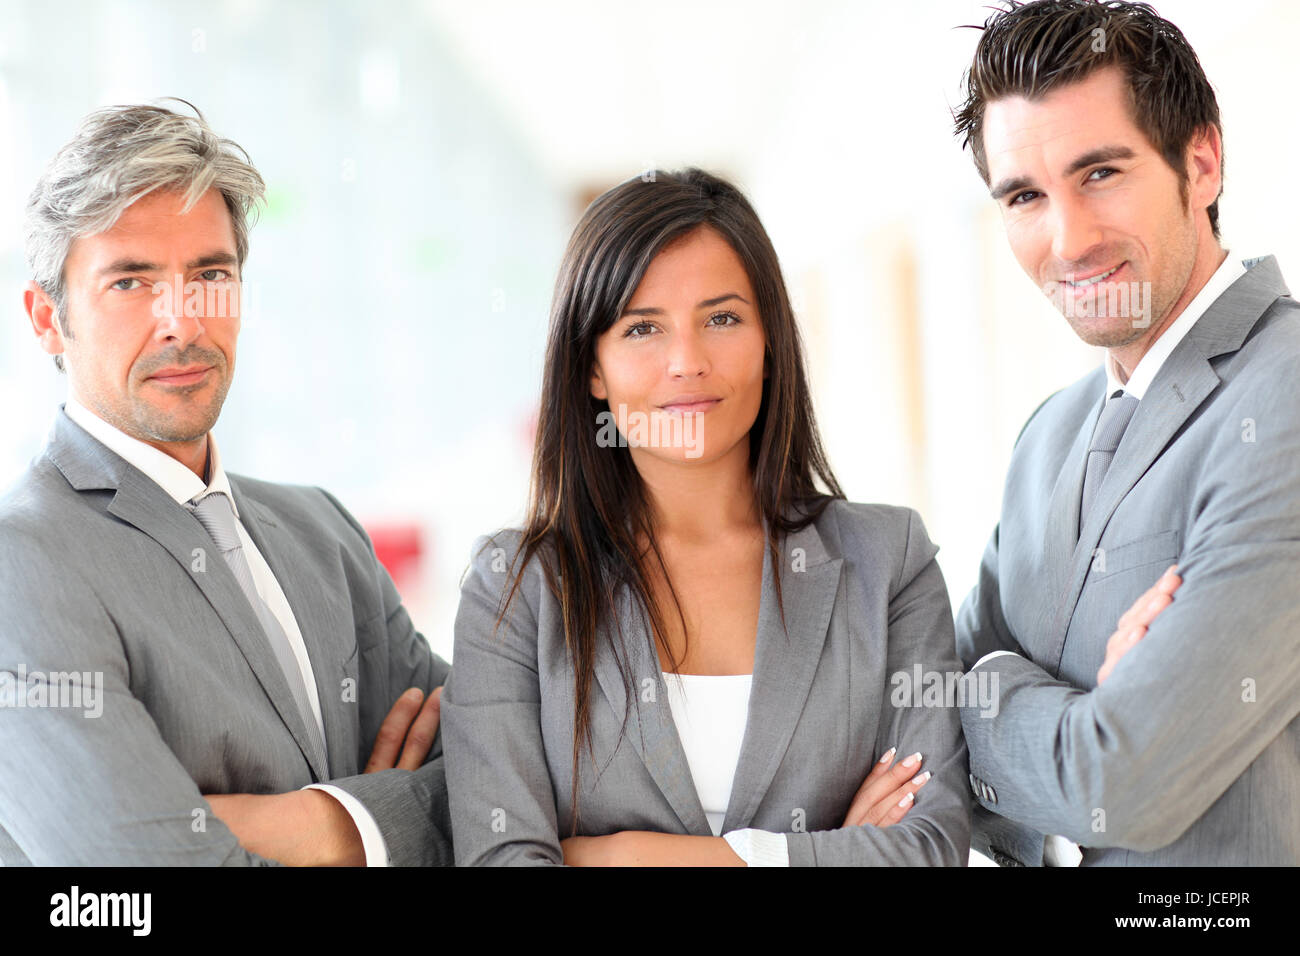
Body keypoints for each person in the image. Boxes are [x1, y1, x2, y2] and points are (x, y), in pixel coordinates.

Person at [442, 168, 969, 866]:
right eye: (642, 329)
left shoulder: (888, 560)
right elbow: (501, 859)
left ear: (770, 339)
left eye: (722, 318)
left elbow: (929, 848)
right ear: (592, 369)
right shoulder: (515, 590)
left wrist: (615, 857)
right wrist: (832, 852)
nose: (687, 362)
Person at [0, 101, 452, 866]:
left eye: (210, 275)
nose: (182, 323)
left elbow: (506, 782)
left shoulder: (321, 530)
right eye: (131, 283)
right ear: (48, 319)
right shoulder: (23, 564)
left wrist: (329, 825)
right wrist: (389, 821)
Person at [950, 0, 1300, 865]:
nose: (1068, 239)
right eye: (1026, 196)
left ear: (1203, 161)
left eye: (1101, 173)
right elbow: (913, 721)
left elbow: (1123, 782)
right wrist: (1078, 720)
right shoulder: (1047, 437)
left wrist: (993, 692)